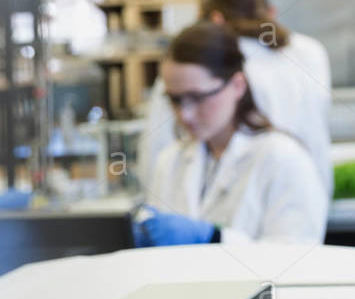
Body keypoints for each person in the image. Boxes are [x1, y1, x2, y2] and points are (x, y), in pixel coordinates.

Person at [138, 0, 333, 200]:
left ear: (216, 20)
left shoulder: (208, 65)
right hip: (313, 191)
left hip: (243, 200)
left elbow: (156, 148)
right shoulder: (308, 52)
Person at [135, 22, 326, 246]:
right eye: (175, 99)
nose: (185, 114)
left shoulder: (284, 159)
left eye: (197, 97)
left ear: (237, 85)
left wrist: (215, 238)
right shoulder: (170, 161)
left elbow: (296, 259)